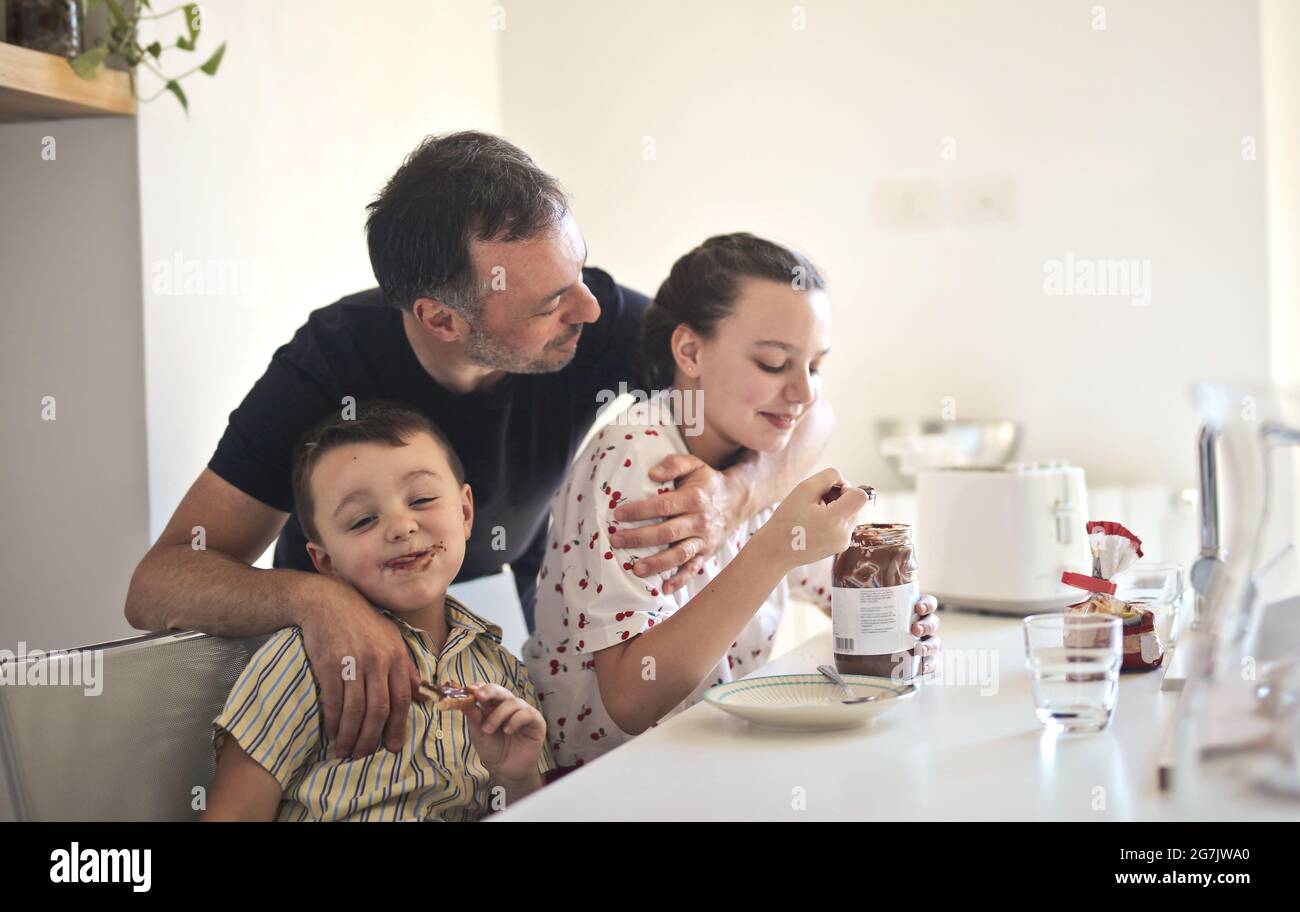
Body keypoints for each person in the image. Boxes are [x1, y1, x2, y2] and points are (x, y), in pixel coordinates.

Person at [125, 132, 831, 762]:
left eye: (579, 273)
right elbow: (158, 583)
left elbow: (808, 409)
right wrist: (317, 601)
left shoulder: (590, 316)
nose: (587, 307)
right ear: (441, 318)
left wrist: (737, 496)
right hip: (352, 694)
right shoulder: (327, 365)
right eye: (549, 302)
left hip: (500, 671)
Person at [524, 234, 941, 767]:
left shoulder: (757, 456)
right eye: (773, 363)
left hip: (712, 756)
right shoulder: (637, 461)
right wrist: (774, 550)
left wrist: (900, 616)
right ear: (691, 351)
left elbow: (837, 586)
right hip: (610, 780)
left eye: (814, 366)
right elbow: (629, 701)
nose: (805, 393)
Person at [202, 402, 550, 821]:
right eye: (363, 520)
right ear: (326, 561)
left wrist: (517, 778)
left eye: (421, 499)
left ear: (465, 512)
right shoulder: (304, 661)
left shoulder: (505, 674)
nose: (401, 527)